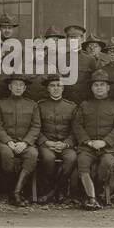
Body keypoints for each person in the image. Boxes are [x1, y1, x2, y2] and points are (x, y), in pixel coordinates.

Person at [74, 69, 114, 209]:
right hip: (88, 147)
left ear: (108, 87)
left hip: (110, 147)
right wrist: (88, 141)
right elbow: (77, 126)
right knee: (82, 161)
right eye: (96, 85)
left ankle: (97, 190)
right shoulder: (85, 105)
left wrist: (104, 142)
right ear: (92, 88)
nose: (99, 88)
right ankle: (91, 198)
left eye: (102, 85)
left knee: (107, 162)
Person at [0, 75, 42, 206]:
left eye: (21, 85)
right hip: (6, 143)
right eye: (15, 84)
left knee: (32, 154)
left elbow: (36, 126)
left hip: (25, 143)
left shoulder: (32, 105)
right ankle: (11, 190)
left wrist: (25, 142)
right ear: (10, 87)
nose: (18, 87)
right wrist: (8, 141)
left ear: (25, 88)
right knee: (6, 155)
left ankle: (16, 192)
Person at [35, 72, 78, 204]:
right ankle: (50, 189)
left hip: (65, 145)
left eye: (59, 85)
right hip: (47, 144)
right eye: (52, 85)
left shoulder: (71, 106)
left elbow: (75, 130)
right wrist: (46, 142)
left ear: (63, 88)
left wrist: (66, 144)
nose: (56, 88)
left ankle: (55, 190)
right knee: (48, 158)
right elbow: (36, 127)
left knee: (71, 158)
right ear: (47, 88)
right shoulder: (40, 105)